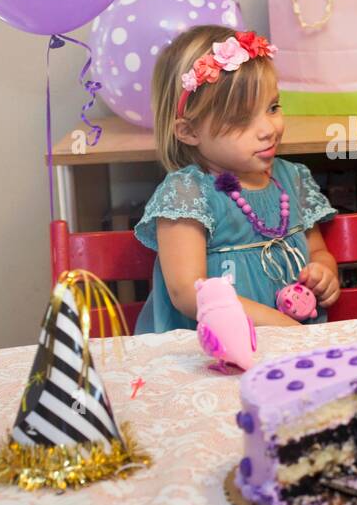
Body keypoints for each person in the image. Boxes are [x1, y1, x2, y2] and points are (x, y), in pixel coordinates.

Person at [132, 25, 339, 333]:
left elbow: (317, 249)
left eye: (272, 107)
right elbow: (189, 293)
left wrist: (324, 271)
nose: (268, 128)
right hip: (209, 350)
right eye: (242, 120)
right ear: (189, 131)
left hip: (290, 345)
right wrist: (279, 327)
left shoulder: (291, 178)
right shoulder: (188, 193)